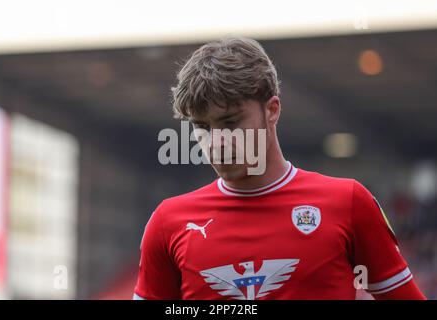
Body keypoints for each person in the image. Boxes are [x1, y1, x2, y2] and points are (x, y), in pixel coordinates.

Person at [133, 37, 426, 300]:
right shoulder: (168, 223)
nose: (217, 142)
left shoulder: (348, 203)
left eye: (231, 122)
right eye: (202, 127)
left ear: (272, 110)